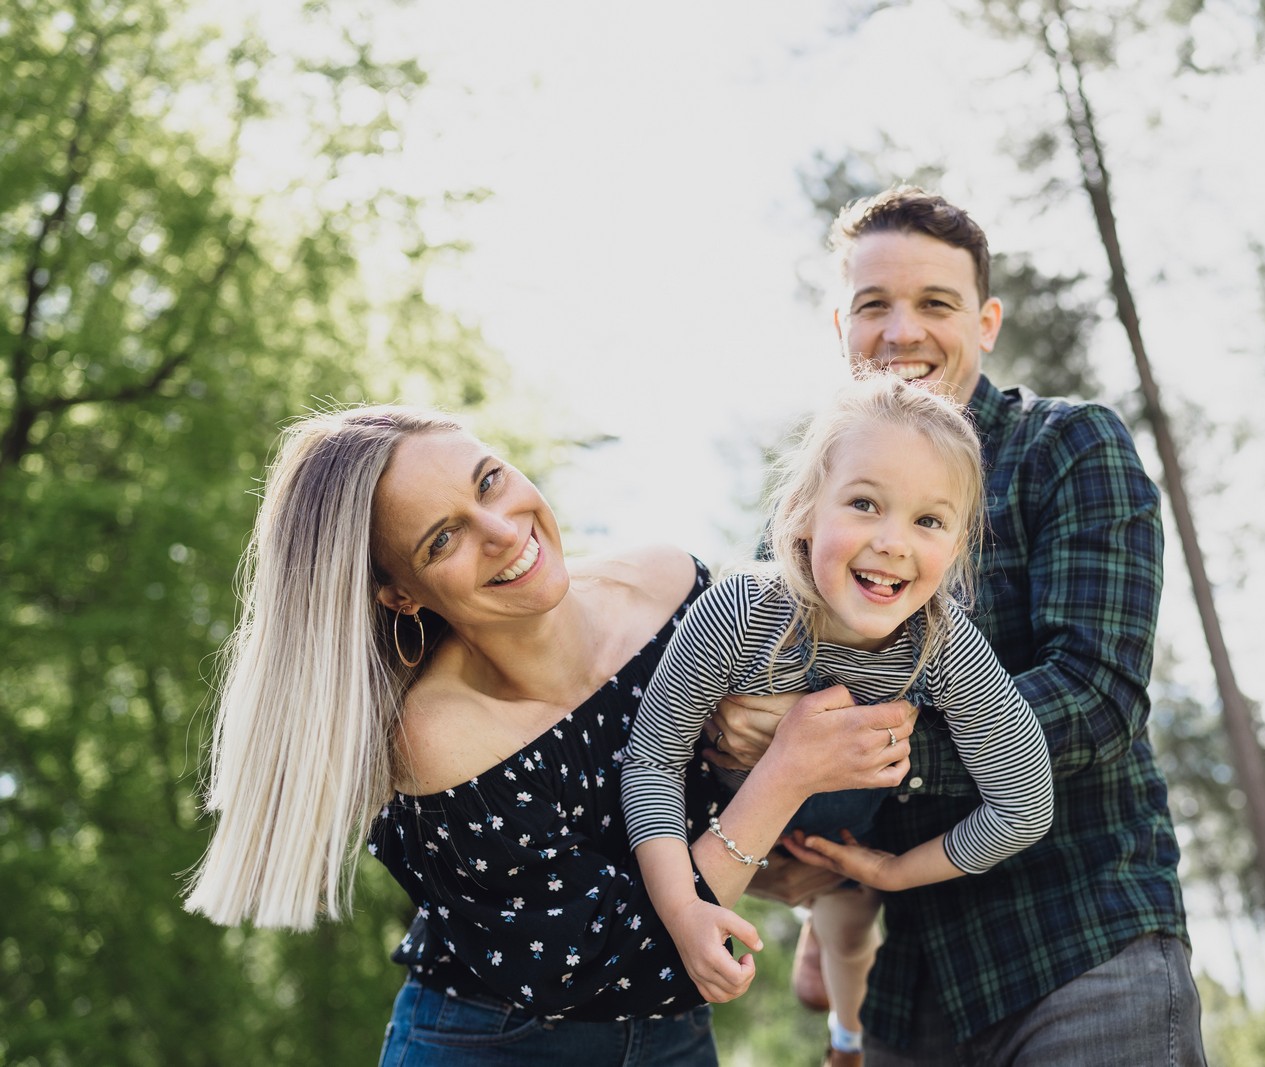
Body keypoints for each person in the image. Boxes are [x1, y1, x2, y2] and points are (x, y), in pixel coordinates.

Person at [181, 404, 918, 1066]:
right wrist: (784, 772)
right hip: (498, 1042)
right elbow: (636, 954)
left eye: (491, 481)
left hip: (675, 1037)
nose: (504, 532)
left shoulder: (668, 590)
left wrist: (782, 829)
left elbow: (690, 824)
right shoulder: (440, 736)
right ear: (401, 592)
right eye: (444, 538)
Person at [713, 187, 1205, 1065]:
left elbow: (1093, 697)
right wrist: (762, 791)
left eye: (934, 303)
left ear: (985, 322)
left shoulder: (1067, 448)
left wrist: (863, 753)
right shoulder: (805, 521)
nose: (902, 332)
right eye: (874, 306)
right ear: (841, 327)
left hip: (1081, 937)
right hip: (914, 987)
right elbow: (754, 715)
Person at [621, 373, 1055, 1065]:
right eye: (864, 503)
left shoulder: (940, 645)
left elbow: (1024, 804)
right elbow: (650, 759)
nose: (893, 541)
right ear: (801, 511)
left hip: (843, 841)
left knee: (849, 924)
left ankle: (846, 1037)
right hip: (724, 828)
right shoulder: (740, 612)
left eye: (929, 520)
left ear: (959, 545)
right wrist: (683, 906)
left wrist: (895, 870)